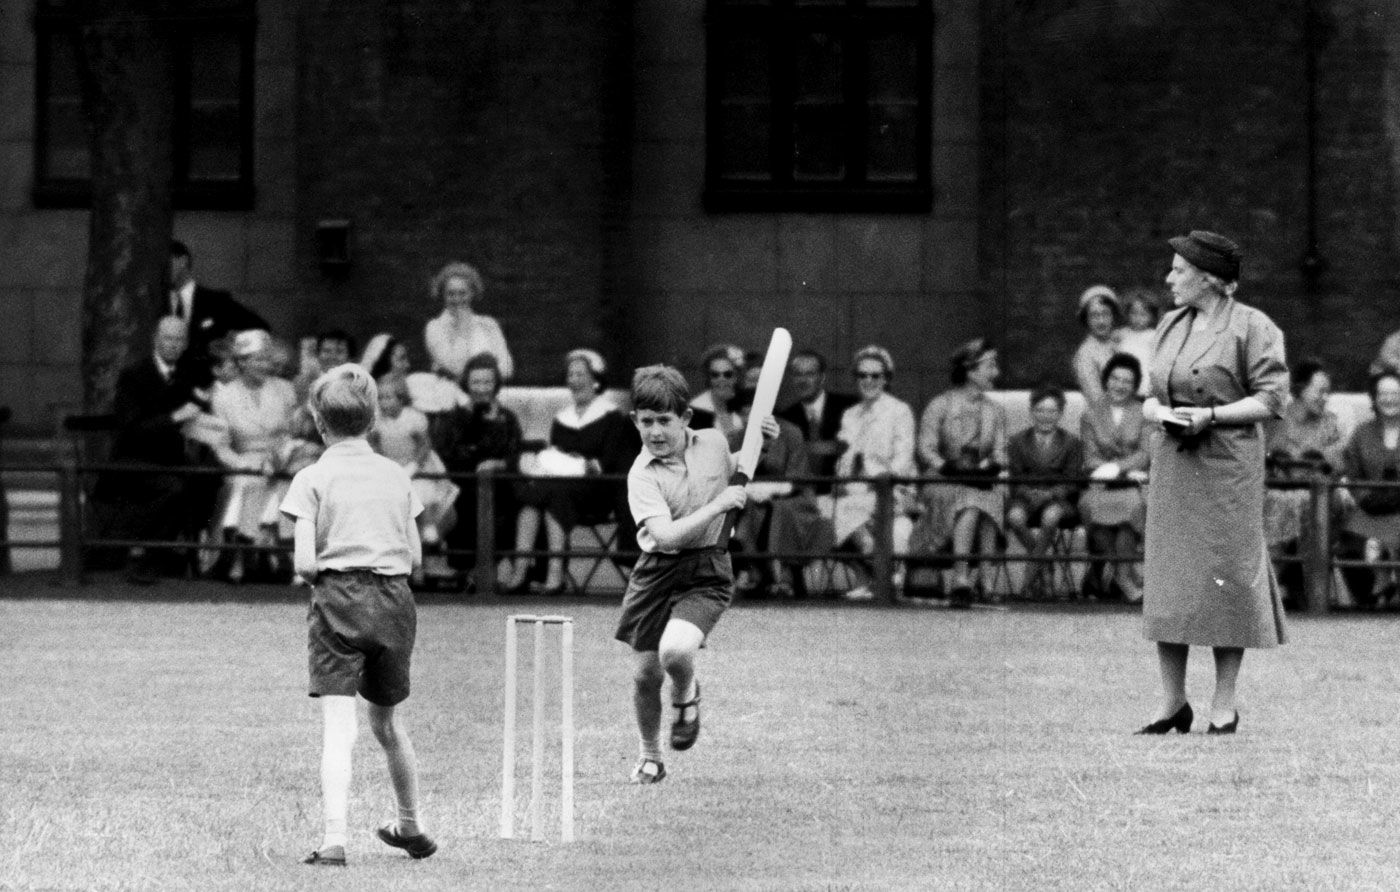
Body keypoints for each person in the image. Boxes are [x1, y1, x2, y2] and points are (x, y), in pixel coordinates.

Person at [279, 363, 436, 867]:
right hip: (393, 600)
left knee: (338, 727)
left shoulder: (312, 477)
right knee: (388, 724)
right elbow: (415, 559)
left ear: (318, 424)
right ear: (373, 422)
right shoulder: (396, 475)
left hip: (338, 598)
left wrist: (335, 563)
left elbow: (304, 563)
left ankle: (333, 840)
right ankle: (410, 822)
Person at [1137, 230, 1288, 736]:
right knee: (1171, 576)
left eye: (1178, 270)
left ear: (1209, 278)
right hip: (1175, 464)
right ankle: (1172, 701)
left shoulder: (1253, 326)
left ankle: (1224, 705)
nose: (1169, 278)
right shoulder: (1169, 324)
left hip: (1227, 468)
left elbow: (1270, 401)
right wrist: (1158, 411)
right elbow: (1148, 394)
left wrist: (1212, 415)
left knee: (1226, 576)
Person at [615, 364, 776, 785]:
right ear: (635, 421)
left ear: (685, 418)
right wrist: (718, 506)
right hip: (655, 573)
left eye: (664, 421)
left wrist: (763, 442)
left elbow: (734, 466)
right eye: (646, 422)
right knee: (646, 675)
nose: (654, 432)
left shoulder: (714, 442)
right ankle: (650, 756)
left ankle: (686, 697)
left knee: (676, 652)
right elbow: (665, 536)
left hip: (706, 568)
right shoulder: (641, 475)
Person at [501, 349, 639, 593]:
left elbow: (606, 463)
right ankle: (521, 571)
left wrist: (578, 464)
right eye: (571, 375)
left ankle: (554, 575)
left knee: (547, 494)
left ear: (595, 379)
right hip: (560, 489)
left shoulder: (612, 417)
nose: (574, 380)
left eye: (581, 374)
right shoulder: (561, 418)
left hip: (597, 492)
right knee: (536, 499)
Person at [99, 316, 205, 583]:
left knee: (207, 480)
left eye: (179, 339)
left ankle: (193, 559)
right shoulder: (134, 375)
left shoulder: (188, 375)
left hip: (173, 459)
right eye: (168, 338)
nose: (172, 344)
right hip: (135, 459)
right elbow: (131, 428)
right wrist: (175, 417)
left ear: (185, 344)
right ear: (156, 340)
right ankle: (151, 557)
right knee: (175, 489)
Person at [916, 338, 1008, 608]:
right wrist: (949, 467)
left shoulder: (996, 411)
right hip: (943, 480)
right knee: (971, 502)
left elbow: (1001, 451)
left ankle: (985, 579)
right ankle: (961, 577)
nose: (996, 373)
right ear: (970, 370)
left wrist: (993, 467)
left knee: (985, 498)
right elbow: (926, 448)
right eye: (990, 366)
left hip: (980, 482)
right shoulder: (940, 405)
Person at [823, 345, 917, 602]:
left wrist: (879, 480)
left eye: (875, 375)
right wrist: (843, 476)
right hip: (855, 490)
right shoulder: (850, 415)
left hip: (890, 489)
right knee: (826, 508)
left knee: (846, 511)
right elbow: (844, 458)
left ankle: (878, 577)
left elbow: (903, 458)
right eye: (862, 375)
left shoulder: (899, 411)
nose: (868, 381)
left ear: (885, 378)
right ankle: (880, 577)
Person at [209, 329, 301, 583]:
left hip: (283, 461)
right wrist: (242, 464)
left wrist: (280, 456)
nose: (265, 365)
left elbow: (294, 433)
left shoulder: (285, 389)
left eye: (266, 358)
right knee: (246, 484)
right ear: (242, 362)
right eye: (258, 360)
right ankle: (240, 558)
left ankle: (288, 560)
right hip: (244, 463)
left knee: (292, 485)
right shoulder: (223, 396)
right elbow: (221, 446)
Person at [1263, 359, 1347, 605]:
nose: (1324, 397)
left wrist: (1316, 460)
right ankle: (1271, 585)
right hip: (1279, 491)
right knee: (1277, 502)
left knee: (1311, 504)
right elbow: (1268, 458)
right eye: (1319, 391)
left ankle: (1312, 592)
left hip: (1318, 495)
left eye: (1327, 392)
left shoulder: (1331, 423)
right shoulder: (1277, 421)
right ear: (1300, 389)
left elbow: (1338, 462)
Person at [438, 354, 523, 575]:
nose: (482, 388)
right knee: (462, 502)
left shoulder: (508, 418)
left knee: (514, 503)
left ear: (496, 384)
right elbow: (451, 456)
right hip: (464, 485)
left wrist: (498, 464)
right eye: (476, 382)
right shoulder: (456, 417)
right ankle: (465, 571)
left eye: (487, 382)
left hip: (501, 487)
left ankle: (501, 568)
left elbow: (516, 455)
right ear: (467, 383)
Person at [369, 374, 460, 578]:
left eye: (389, 398)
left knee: (422, 496)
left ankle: (430, 532)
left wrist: (412, 467)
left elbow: (424, 446)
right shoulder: (376, 421)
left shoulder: (414, 418)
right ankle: (408, 565)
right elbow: (375, 446)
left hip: (419, 468)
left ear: (402, 398)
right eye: (380, 398)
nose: (384, 403)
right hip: (392, 471)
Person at [1079, 353, 1152, 603]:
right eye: (1115, 378)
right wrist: (1109, 470)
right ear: (1106, 380)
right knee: (1090, 507)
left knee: (1133, 507)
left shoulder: (1144, 412)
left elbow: (1145, 453)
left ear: (1135, 386)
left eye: (1127, 381)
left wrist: (1118, 468)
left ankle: (1121, 576)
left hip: (1135, 482)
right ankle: (1123, 575)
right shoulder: (1090, 414)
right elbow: (1090, 458)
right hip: (1101, 484)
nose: (1120, 385)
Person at [1004, 385, 1083, 596]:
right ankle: (1045, 563)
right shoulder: (1017, 441)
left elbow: (1073, 481)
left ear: (1061, 413)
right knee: (1014, 517)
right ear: (1031, 411)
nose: (1045, 416)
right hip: (1025, 497)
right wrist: (1030, 494)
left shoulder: (1072, 443)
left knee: (1050, 517)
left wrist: (1050, 495)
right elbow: (1015, 479)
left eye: (1052, 411)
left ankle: (1027, 582)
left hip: (1059, 500)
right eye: (1040, 410)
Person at [168, 240, 271, 386]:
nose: (160, 269)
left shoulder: (216, 301)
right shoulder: (156, 302)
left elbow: (259, 326)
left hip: (210, 385)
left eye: (166, 262)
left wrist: (232, 351)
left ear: (182, 261)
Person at [1338, 370, 1400, 606]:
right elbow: (1352, 474)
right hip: (1370, 508)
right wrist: (1365, 499)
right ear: (1374, 397)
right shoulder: (1362, 433)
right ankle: (1377, 592)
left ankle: (1388, 586)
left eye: (1395, 392)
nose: (1389, 398)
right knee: (1352, 536)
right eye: (1383, 393)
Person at [777, 349, 857, 494]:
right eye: (798, 374)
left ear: (822, 377)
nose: (803, 380)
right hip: (801, 498)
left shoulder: (848, 408)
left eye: (810, 374)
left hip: (842, 495)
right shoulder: (785, 418)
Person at [422, 261, 513, 381]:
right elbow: (456, 368)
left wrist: (483, 382)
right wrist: (463, 327)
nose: (457, 299)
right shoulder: (434, 327)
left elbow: (507, 369)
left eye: (462, 293)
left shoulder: (489, 324)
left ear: (472, 293)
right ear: (443, 295)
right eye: (451, 294)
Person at [1071, 284, 1124, 408]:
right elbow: (1097, 401)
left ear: (1113, 316)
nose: (1101, 321)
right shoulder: (1086, 354)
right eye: (1094, 315)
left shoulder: (1121, 339)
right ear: (1086, 319)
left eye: (1106, 314)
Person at [689, 343, 746, 440]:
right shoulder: (697, 410)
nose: (721, 379)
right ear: (708, 378)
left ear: (736, 377)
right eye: (715, 375)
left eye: (728, 374)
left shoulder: (739, 405)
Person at [1116, 287, 1161, 397]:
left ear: (1152, 316)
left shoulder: (1153, 335)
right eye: (1134, 313)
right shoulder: (1123, 333)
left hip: (1145, 385)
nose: (1138, 318)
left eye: (1143, 314)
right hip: (1124, 383)